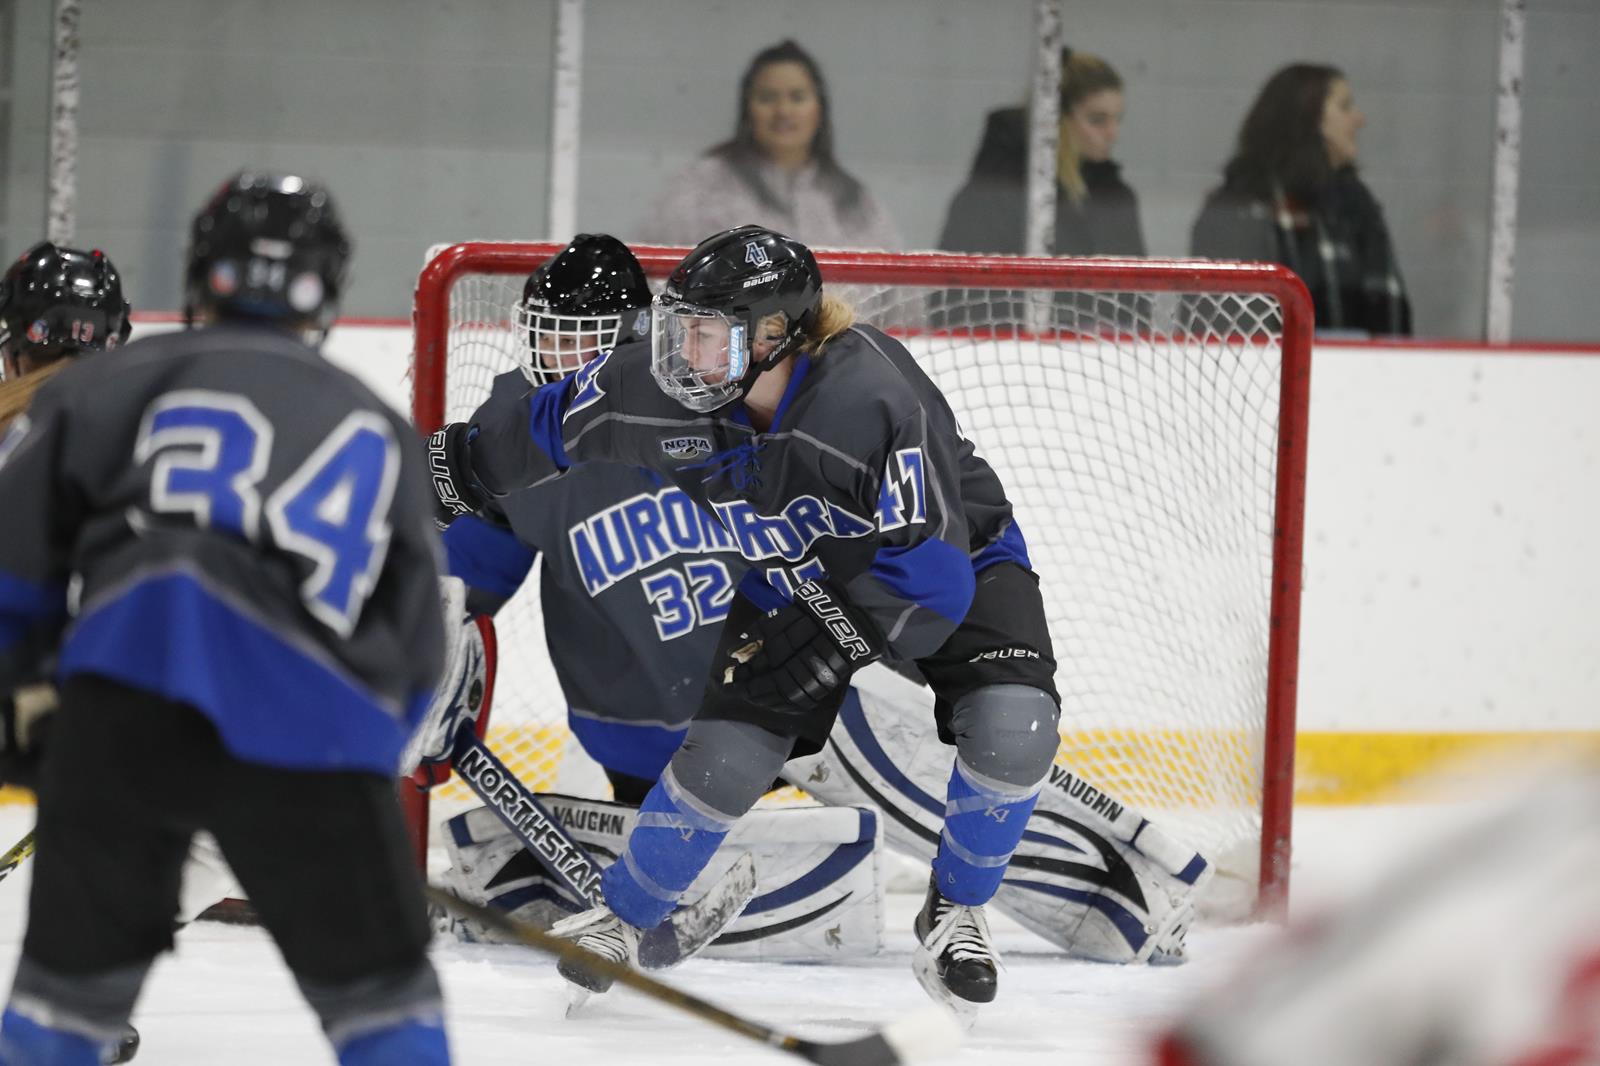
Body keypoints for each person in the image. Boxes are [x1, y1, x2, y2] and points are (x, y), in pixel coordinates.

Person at [427, 236, 1208, 970]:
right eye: (679, 330)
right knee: (728, 753)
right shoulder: (663, 390)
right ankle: (622, 916)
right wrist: (443, 474)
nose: (680, 356)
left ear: (775, 335)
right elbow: (539, 427)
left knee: (1012, 729)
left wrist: (838, 642)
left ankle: (958, 912)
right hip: (793, 574)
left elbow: (932, 579)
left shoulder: (870, 400)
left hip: (945, 561)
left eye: (704, 335)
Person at [0, 172, 451, 1065]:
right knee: (388, 1017)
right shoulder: (375, 423)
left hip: (125, 721)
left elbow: (14, 576)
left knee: (60, 1015)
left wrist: (36, 706)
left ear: (201, 274)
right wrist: (355, 778)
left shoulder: (101, 391)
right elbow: (418, 636)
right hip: (310, 737)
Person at [436, 233, 741, 802]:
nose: (557, 356)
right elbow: (470, 572)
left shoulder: (716, 403)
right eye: (546, 336)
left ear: (638, 339)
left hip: (765, 710)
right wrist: (419, 652)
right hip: (628, 723)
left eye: (579, 340)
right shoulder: (510, 431)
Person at [1189, 63, 1411, 336]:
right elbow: (1218, 322)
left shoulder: (1355, 204)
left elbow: (1389, 312)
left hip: (1356, 373)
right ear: (1307, 117)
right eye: (1344, 107)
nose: (1359, 119)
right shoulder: (1239, 208)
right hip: (1263, 374)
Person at [635, 40, 901, 251]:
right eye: (767, 97)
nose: (783, 111)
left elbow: (899, 299)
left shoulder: (854, 200)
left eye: (797, 97)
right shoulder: (701, 186)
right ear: (748, 110)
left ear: (819, 110)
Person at [937, 50, 1146, 259]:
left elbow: (1136, 287)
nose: (1113, 134)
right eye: (1097, 120)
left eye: (1118, 119)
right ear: (1056, 119)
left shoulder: (1115, 200)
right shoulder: (993, 198)